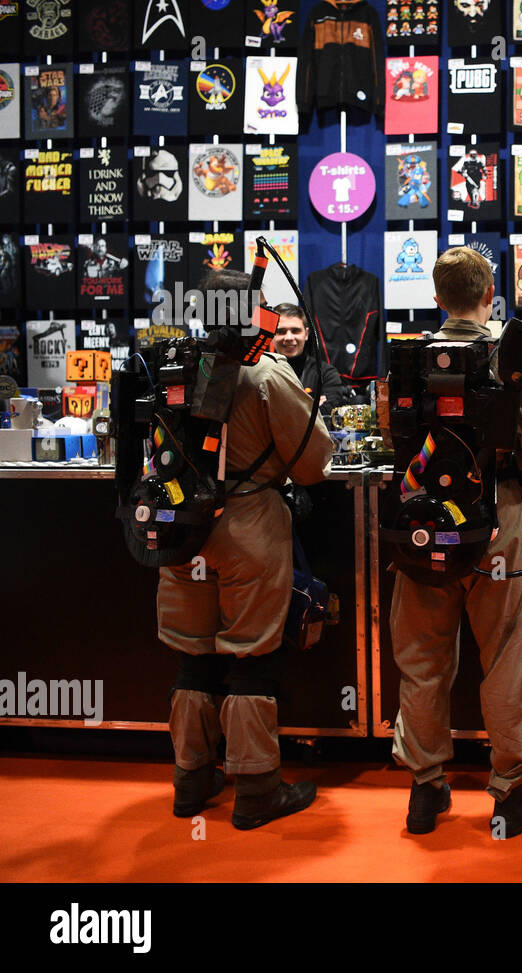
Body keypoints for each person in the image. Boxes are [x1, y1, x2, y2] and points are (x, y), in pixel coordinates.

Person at [388, 247, 522, 837]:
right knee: (507, 654)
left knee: (421, 658)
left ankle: (425, 786)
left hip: (420, 523)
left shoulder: (408, 358)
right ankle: (511, 792)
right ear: (491, 294)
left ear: (436, 298)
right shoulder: (506, 358)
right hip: (495, 523)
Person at [161, 270, 336, 830]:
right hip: (248, 529)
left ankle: (191, 780)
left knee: (193, 657)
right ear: (252, 311)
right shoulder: (265, 374)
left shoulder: (175, 366)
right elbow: (314, 462)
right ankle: (257, 787)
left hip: (181, 529)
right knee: (252, 658)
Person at [270, 303, 354, 411]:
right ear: (271, 334)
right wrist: (310, 405)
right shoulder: (260, 373)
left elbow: (327, 414)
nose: (289, 337)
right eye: (281, 331)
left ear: (306, 334)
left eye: (295, 331)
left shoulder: (326, 374)